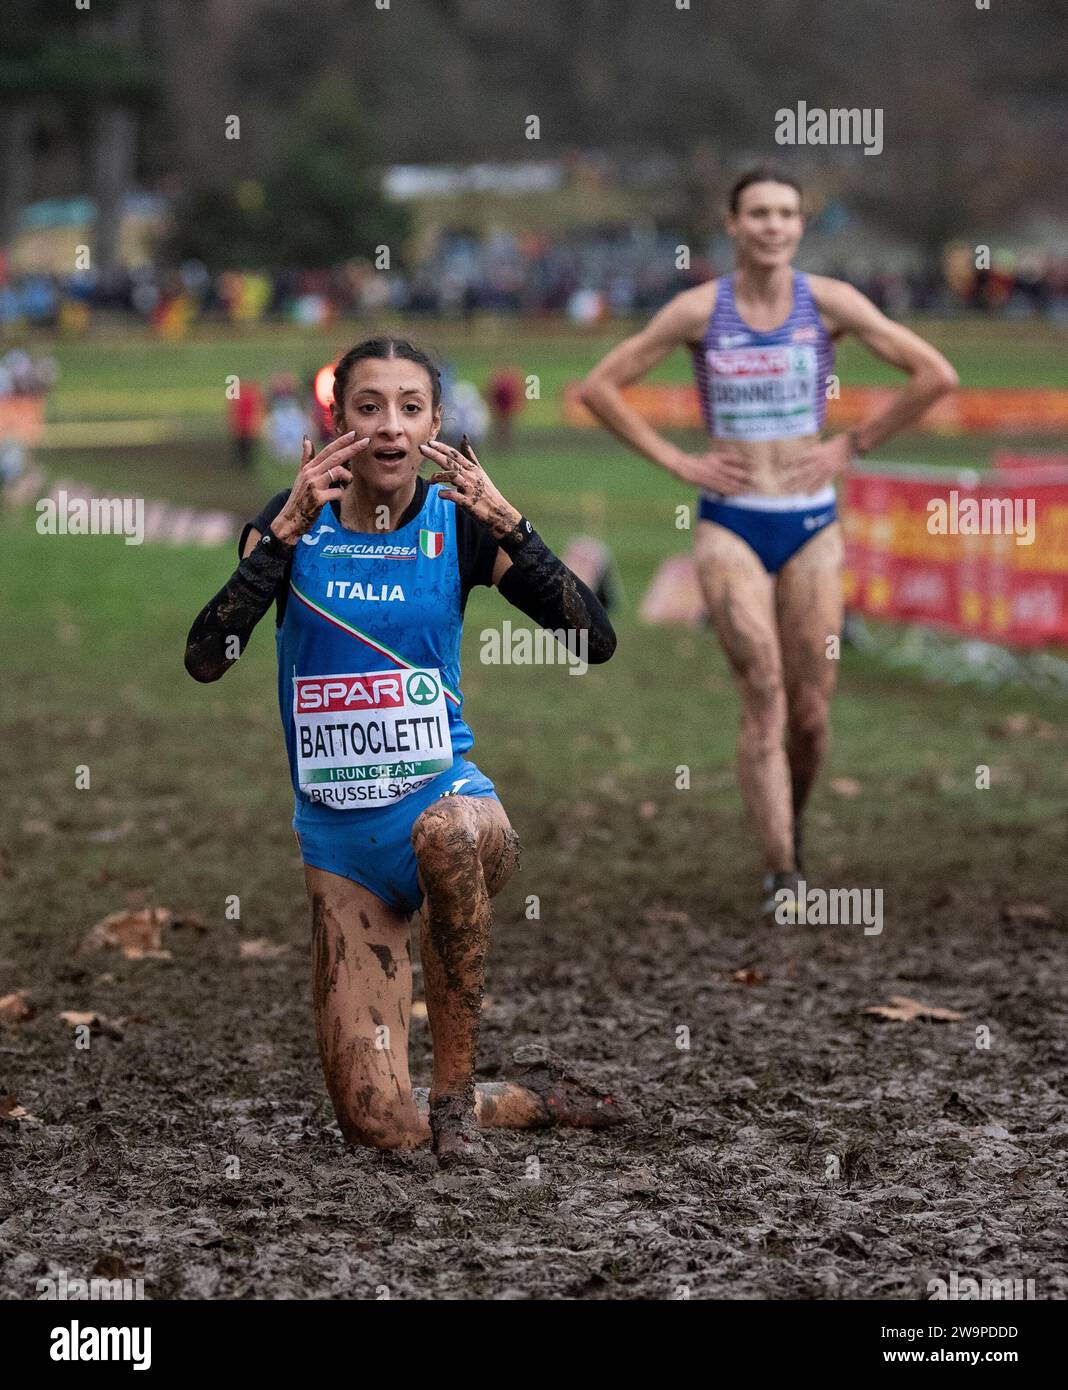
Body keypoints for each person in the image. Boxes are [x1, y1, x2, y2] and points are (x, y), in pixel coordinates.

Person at [185, 336, 622, 1166]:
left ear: (435, 425)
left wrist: (516, 529)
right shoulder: (290, 521)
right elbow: (208, 658)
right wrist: (276, 543)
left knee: (448, 837)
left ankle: (454, 1100)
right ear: (337, 418)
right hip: (344, 846)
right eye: (369, 406)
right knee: (377, 1128)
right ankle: (513, 1101)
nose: (390, 427)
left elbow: (593, 640)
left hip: (452, 805)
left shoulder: (456, 522)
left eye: (411, 409)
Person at [580, 167, 959, 916]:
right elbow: (599, 386)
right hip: (730, 519)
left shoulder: (830, 303)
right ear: (732, 223)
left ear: (800, 225)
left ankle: (794, 814)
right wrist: (678, 460)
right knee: (762, 685)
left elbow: (934, 374)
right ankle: (782, 871)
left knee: (811, 714)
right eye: (759, 213)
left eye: (787, 214)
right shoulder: (697, 311)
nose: (774, 226)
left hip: (813, 521)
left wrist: (855, 444)